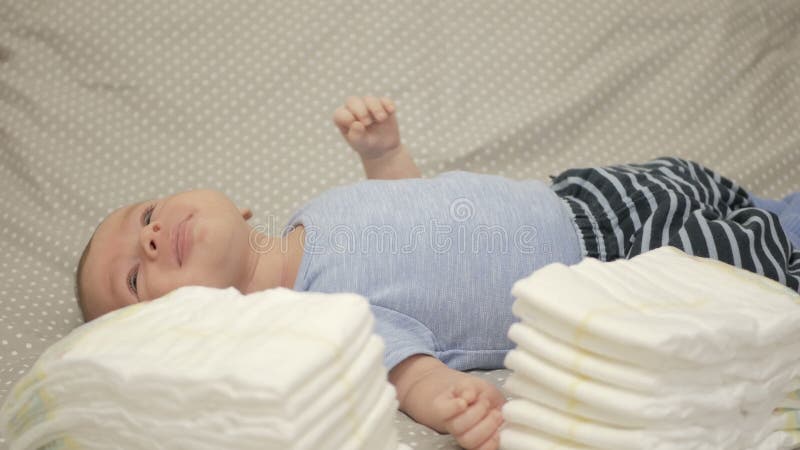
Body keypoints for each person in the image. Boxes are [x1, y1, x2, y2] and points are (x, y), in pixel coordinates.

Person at [74, 95, 800, 450]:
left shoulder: (314, 211)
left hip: (587, 196)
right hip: (619, 275)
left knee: (735, 200)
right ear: (180, 329)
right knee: (763, 264)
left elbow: (409, 201)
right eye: (133, 281)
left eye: (145, 215)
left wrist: (383, 155)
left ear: (234, 205)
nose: (152, 237)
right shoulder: (317, 320)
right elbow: (405, 368)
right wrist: (444, 401)